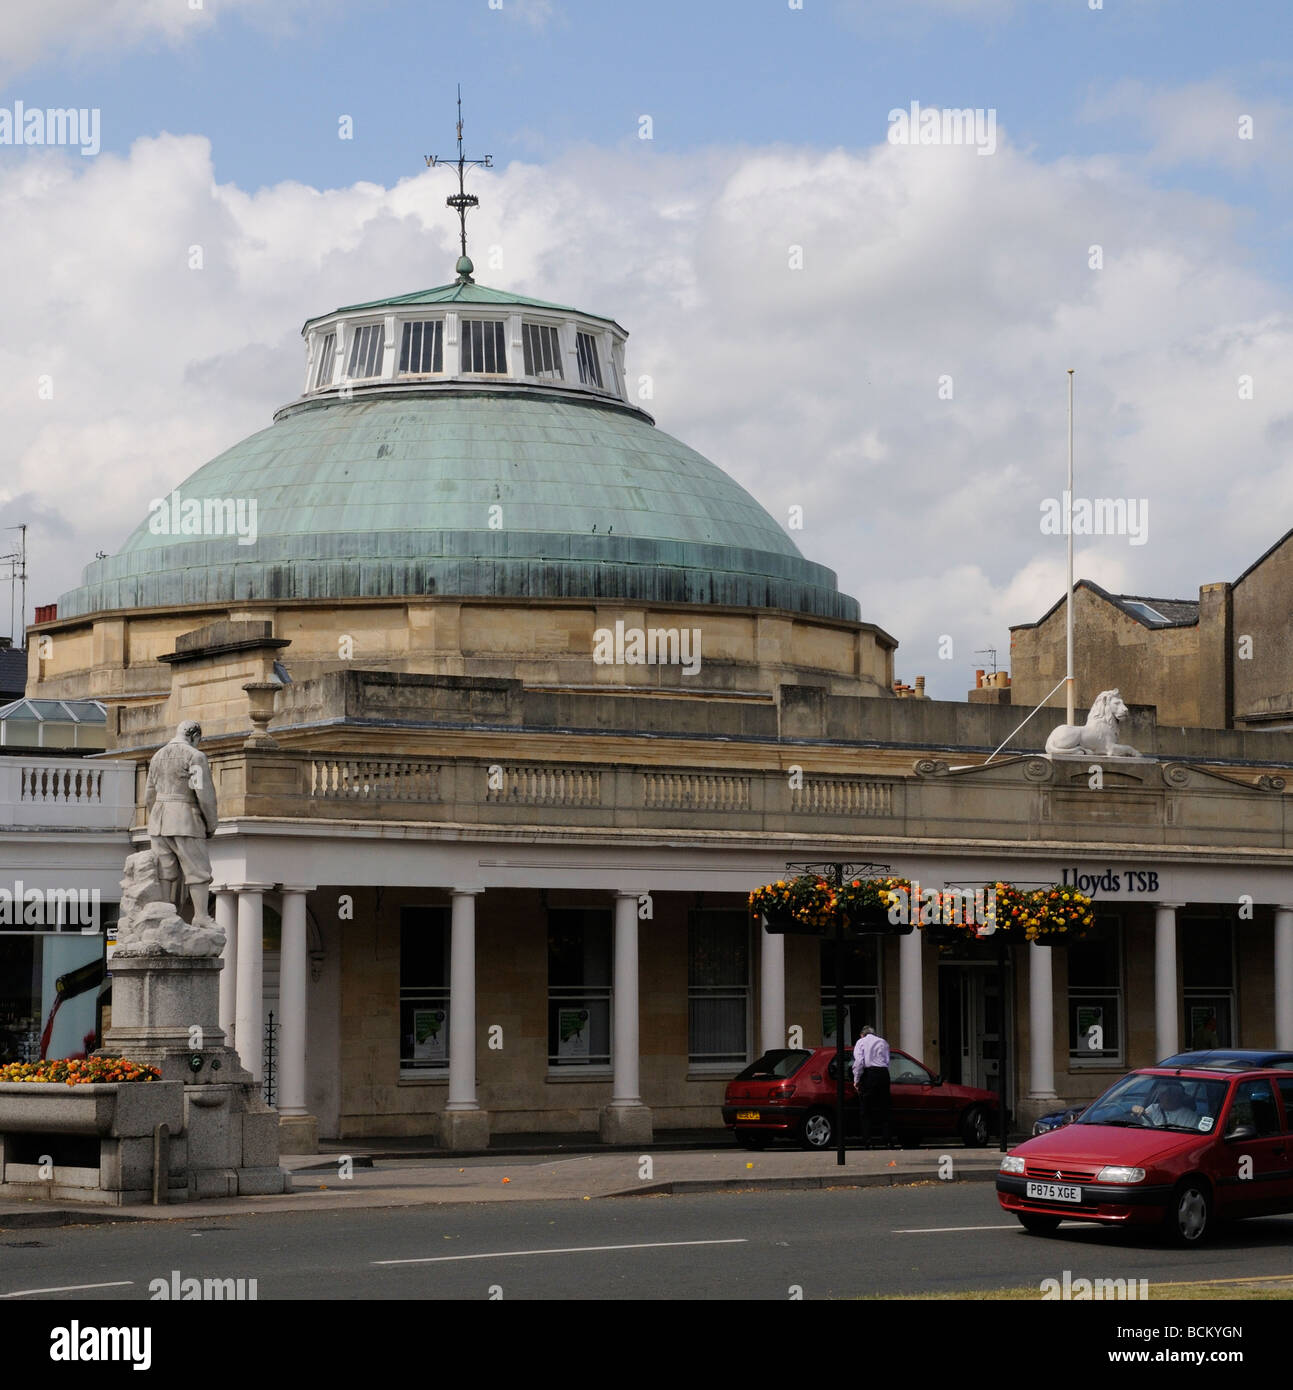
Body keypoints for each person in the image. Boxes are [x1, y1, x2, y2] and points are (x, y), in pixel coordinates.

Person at [144, 720, 219, 926]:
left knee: (164, 872)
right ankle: (201, 916)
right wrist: (211, 823)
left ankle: (165, 914)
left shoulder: (157, 756)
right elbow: (203, 793)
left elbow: (149, 794)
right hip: (185, 818)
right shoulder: (195, 756)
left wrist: (155, 816)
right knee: (197, 870)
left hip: (159, 820)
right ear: (194, 736)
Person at [852, 1024, 896, 1148]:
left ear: (862, 1034)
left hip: (869, 1074)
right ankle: (887, 1140)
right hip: (883, 1074)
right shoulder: (883, 1042)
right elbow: (887, 1061)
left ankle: (868, 1141)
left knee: (866, 1109)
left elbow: (859, 1062)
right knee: (885, 1108)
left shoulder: (861, 1042)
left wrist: (856, 1079)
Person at [1131, 1081, 1197, 1129]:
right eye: (1162, 1094)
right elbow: (1140, 1123)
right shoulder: (1153, 1108)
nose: (1165, 1097)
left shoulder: (1189, 1116)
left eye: (1170, 1094)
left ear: (1178, 1096)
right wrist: (1135, 1111)